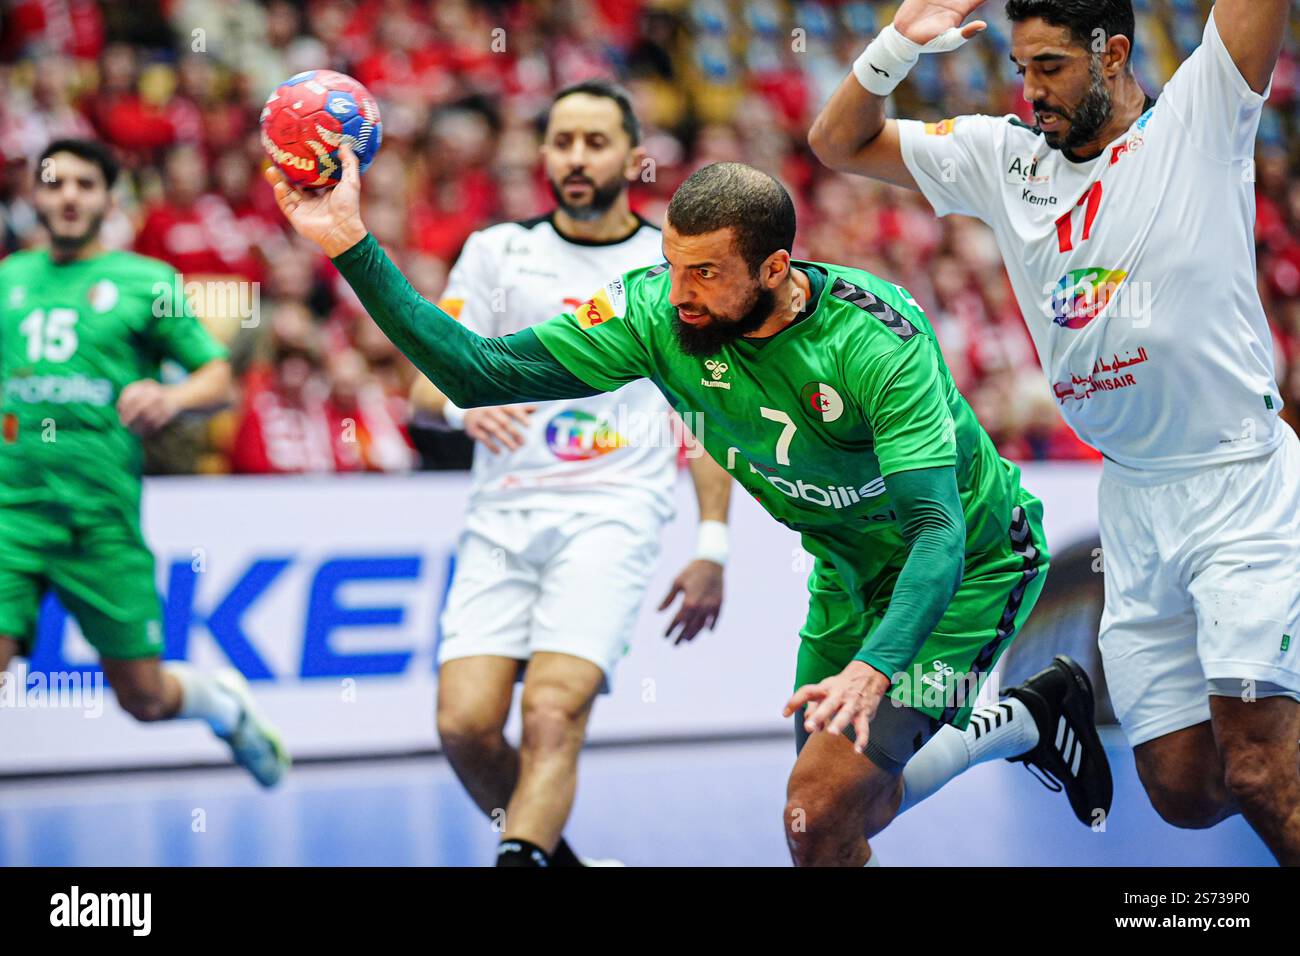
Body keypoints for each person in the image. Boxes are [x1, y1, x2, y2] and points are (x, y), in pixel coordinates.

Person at [267, 146, 1113, 865]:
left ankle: (1004, 717)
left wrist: (874, 667)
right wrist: (349, 243)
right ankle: (1027, 719)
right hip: (848, 566)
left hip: (966, 561)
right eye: (673, 264)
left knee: (816, 813)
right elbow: (477, 373)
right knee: (845, 813)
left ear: (775, 270)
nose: (679, 293)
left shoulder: (876, 343)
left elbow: (936, 532)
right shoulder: (654, 314)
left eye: (705, 273)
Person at [808, 0, 1300, 863]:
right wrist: (896, 46)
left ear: (1111, 54)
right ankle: (1046, 712)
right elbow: (836, 142)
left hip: (1240, 489)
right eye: (1020, 65)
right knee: (1185, 789)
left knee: (1260, 769)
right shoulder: (1003, 159)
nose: (1028, 88)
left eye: (1050, 68)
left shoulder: (1201, 115)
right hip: (1135, 500)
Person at [410, 81, 734, 867]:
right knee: (464, 726)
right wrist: (460, 409)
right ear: (543, 154)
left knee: (553, 713)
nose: (577, 157)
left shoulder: (671, 266)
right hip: (503, 512)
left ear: (633, 155)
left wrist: (712, 544)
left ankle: (520, 856)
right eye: (562, 141)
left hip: (613, 509)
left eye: (595, 141)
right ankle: (557, 861)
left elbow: (707, 417)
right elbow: (427, 385)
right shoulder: (496, 251)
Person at [0, 138, 289, 787]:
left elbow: (218, 381)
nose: (68, 196)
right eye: (54, 184)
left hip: (99, 518)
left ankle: (223, 704)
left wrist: (170, 395)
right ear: (34, 197)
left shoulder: (146, 282)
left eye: (84, 184)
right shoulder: (8, 280)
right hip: (10, 513)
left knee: (144, 698)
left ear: (109, 198)